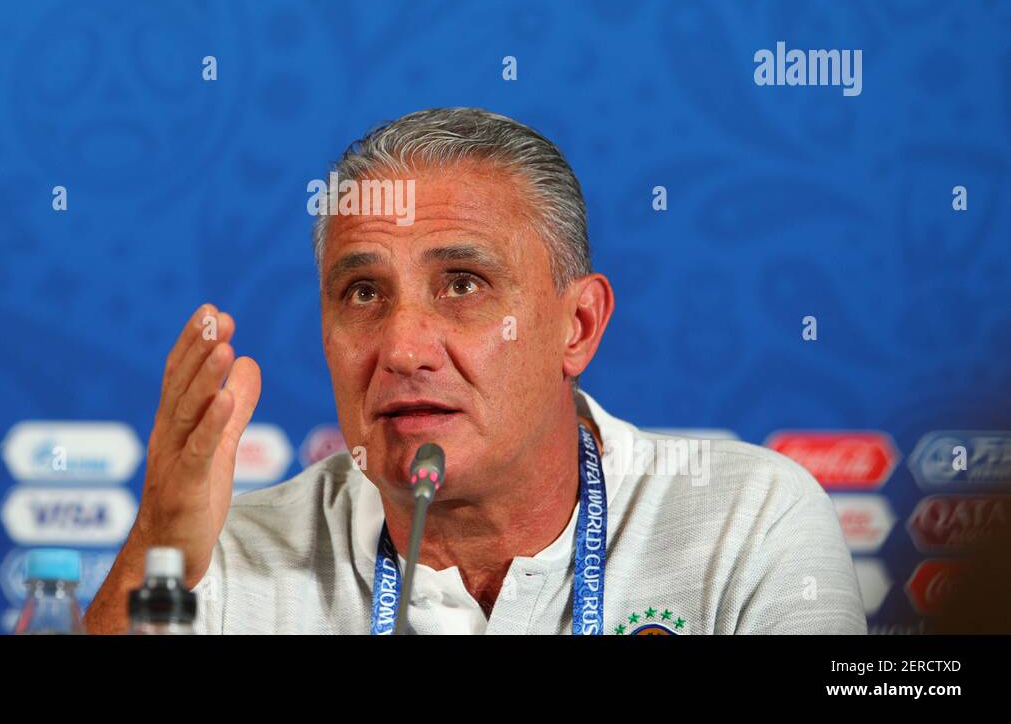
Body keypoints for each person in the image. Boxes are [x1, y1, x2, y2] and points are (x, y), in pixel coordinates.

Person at [87, 107, 866, 634]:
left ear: (579, 325)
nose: (402, 347)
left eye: (463, 285)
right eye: (363, 293)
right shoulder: (223, 559)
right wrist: (158, 550)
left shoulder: (744, 520)